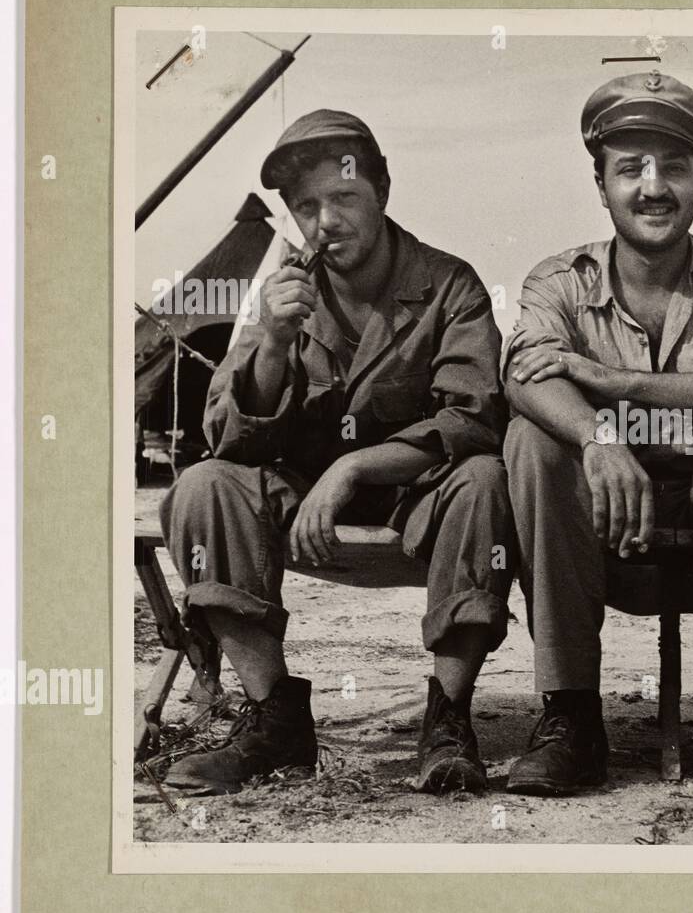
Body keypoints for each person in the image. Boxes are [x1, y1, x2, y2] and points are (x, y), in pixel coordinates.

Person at [160, 109, 515, 797]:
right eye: (306, 208)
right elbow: (227, 441)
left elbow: (473, 419)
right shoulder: (283, 298)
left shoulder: (448, 285)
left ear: (381, 190)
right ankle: (276, 723)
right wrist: (270, 344)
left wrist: (355, 467)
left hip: (421, 503)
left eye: (345, 198)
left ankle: (448, 723)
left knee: (484, 479)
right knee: (203, 486)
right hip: (301, 511)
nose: (325, 221)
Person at [502, 72, 693, 805]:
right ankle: (571, 714)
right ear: (601, 183)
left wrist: (623, 384)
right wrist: (600, 437)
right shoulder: (559, 279)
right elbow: (522, 375)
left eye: (674, 166)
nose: (653, 187)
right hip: (604, 529)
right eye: (630, 168)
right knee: (534, 443)